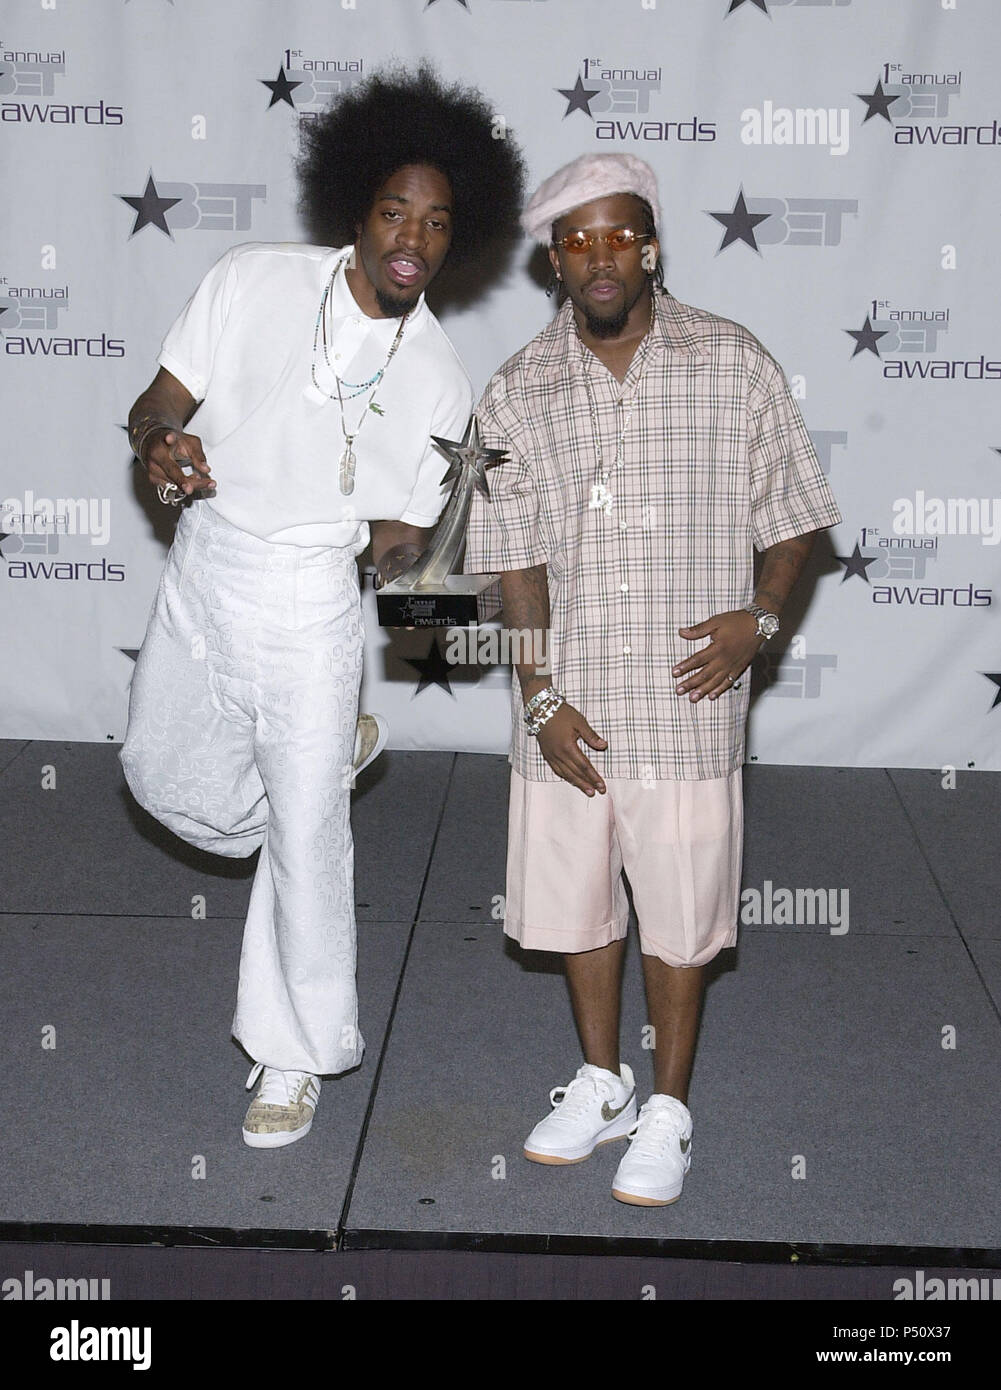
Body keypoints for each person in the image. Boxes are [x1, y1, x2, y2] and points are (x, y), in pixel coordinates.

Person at [120, 65, 524, 1148]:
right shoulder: (250, 279)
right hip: (206, 567)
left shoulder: (440, 381)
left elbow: (403, 549)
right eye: (395, 209)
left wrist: (438, 582)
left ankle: (293, 1053)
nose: (413, 237)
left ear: (456, 238)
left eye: (438, 222)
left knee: (306, 838)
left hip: (310, 602)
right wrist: (162, 443)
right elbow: (156, 402)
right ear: (356, 207)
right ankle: (323, 761)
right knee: (162, 782)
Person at [464, 153, 841, 1206]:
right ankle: (600, 1080)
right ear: (552, 256)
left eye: (617, 234)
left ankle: (667, 1106)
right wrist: (534, 694)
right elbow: (514, 564)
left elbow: (796, 514)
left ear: (650, 244)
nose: (598, 256)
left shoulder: (732, 363)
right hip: (569, 711)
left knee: (679, 919)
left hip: (688, 704)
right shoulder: (518, 388)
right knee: (579, 910)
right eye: (576, 238)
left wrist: (760, 618)